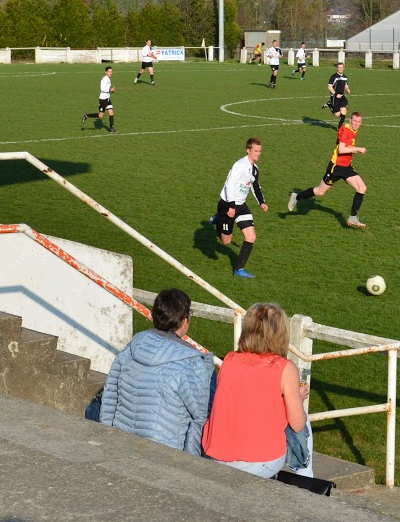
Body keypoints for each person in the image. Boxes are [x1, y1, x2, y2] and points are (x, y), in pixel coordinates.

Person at [98, 288, 215, 454]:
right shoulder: (192, 363)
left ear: (154, 315)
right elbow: (201, 417)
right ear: (185, 321)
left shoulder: (133, 346)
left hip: (121, 444)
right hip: (164, 454)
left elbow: (110, 394)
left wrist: (107, 436)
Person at [202, 302, 311, 479]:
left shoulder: (230, 360)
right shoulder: (284, 367)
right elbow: (297, 423)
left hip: (216, 454)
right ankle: (306, 478)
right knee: (304, 420)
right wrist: (297, 398)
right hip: (259, 460)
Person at [289, 112, 369, 229]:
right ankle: (296, 197)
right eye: (354, 121)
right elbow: (341, 150)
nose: (356, 123)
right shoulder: (346, 130)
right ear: (350, 120)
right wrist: (358, 149)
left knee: (362, 188)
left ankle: (353, 216)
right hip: (336, 167)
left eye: (359, 121)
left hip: (346, 167)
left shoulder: (353, 131)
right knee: (320, 191)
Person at [213, 138, 269, 278]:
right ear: (248, 150)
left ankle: (239, 269)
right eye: (256, 151)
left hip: (241, 206)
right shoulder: (240, 165)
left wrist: (261, 202)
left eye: (260, 151)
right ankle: (219, 218)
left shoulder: (254, 169)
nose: (258, 154)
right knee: (226, 242)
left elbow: (256, 186)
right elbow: (229, 185)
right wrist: (231, 206)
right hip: (227, 205)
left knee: (251, 236)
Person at [81, 66, 117, 132]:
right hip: (103, 100)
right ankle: (87, 115)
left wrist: (111, 91)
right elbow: (102, 89)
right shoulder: (104, 79)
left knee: (111, 113)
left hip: (107, 99)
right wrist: (110, 90)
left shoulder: (108, 79)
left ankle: (111, 128)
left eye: (111, 71)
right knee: (100, 116)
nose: (111, 73)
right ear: (106, 72)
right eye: (109, 72)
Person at [326, 61, 350, 128]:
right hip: (334, 97)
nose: (340, 69)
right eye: (339, 67)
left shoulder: (345, 77)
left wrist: (347, 89)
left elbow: (346, 85)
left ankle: (339, 128)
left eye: (342, 67)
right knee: (337, 114)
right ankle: (329, 104)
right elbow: (329, 87)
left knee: (344, 111)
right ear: (337, 68)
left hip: (342, 97)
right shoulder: (334, 77)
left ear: (344, 68)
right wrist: (336, 94)